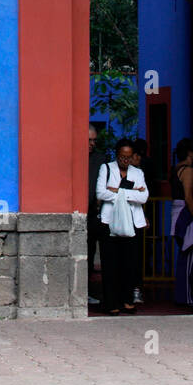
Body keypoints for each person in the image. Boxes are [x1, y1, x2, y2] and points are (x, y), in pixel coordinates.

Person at [96, 137, 149, 315]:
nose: (124, 161)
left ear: (133, 156)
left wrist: (118, 191)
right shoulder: (107, 168)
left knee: (130, 264)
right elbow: (100, 192)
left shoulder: (138, 172)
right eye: (121, 157)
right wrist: (131, 192)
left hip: (133, 224)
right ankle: (112, 303)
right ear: (117, 155)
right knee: (111, 264)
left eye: (128, 157)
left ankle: (128, 300)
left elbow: (144, 197)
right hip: (109, 222)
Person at [170, 138, 193, 309]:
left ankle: (184, 296)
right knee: (188, 259)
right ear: (190, 152)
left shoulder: (176, 169)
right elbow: (189, 197)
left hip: (176, 215)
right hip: (186, 216)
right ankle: (187, 297)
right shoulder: (188, 170)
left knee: (185, 257)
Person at [87, 124, 107, 307]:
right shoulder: (75, 157)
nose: (92, 143)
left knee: (91, 252)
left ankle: (88, 292)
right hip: (79, 212)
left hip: (94, 213)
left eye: (94, 140)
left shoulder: (100, 160)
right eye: (89, 140)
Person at [129, 139, 151, 306]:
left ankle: (135, 289)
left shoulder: (139, 174)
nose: (139, 159)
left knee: (136, 256)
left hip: (136, 219)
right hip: (122, 219)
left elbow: (143, 196)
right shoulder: (117, 171)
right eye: (138, 155)